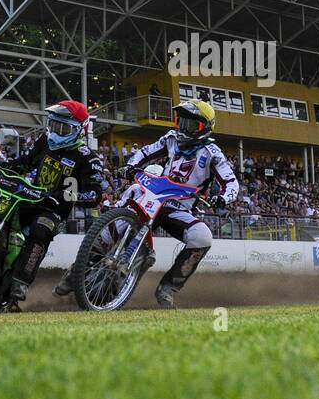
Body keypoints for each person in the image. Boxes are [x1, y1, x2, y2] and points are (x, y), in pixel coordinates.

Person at [61, 98, 237, 307]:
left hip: (178, 207)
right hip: (153, 196)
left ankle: (168, 287)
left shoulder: (212, 153)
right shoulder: (170, 138)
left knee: (203, 237)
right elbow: (144, 153)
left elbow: (231, 182)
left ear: (204, 128)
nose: (183, 128)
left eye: (190, 124)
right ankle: (76, 272)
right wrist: (130, 166)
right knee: (116, 222)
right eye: (180, 122)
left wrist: (223, 199)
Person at [0, 100, 105, 312]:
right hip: (30, 197)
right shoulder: (45, 141)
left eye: (63, 127)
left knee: (40, 230)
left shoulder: (88, 158)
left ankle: (20, 282)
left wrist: (63, 196)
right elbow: (25, 162)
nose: (57, 132)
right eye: (54, 125)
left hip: (54, 210)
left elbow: (94, 195)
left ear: (79, 130)